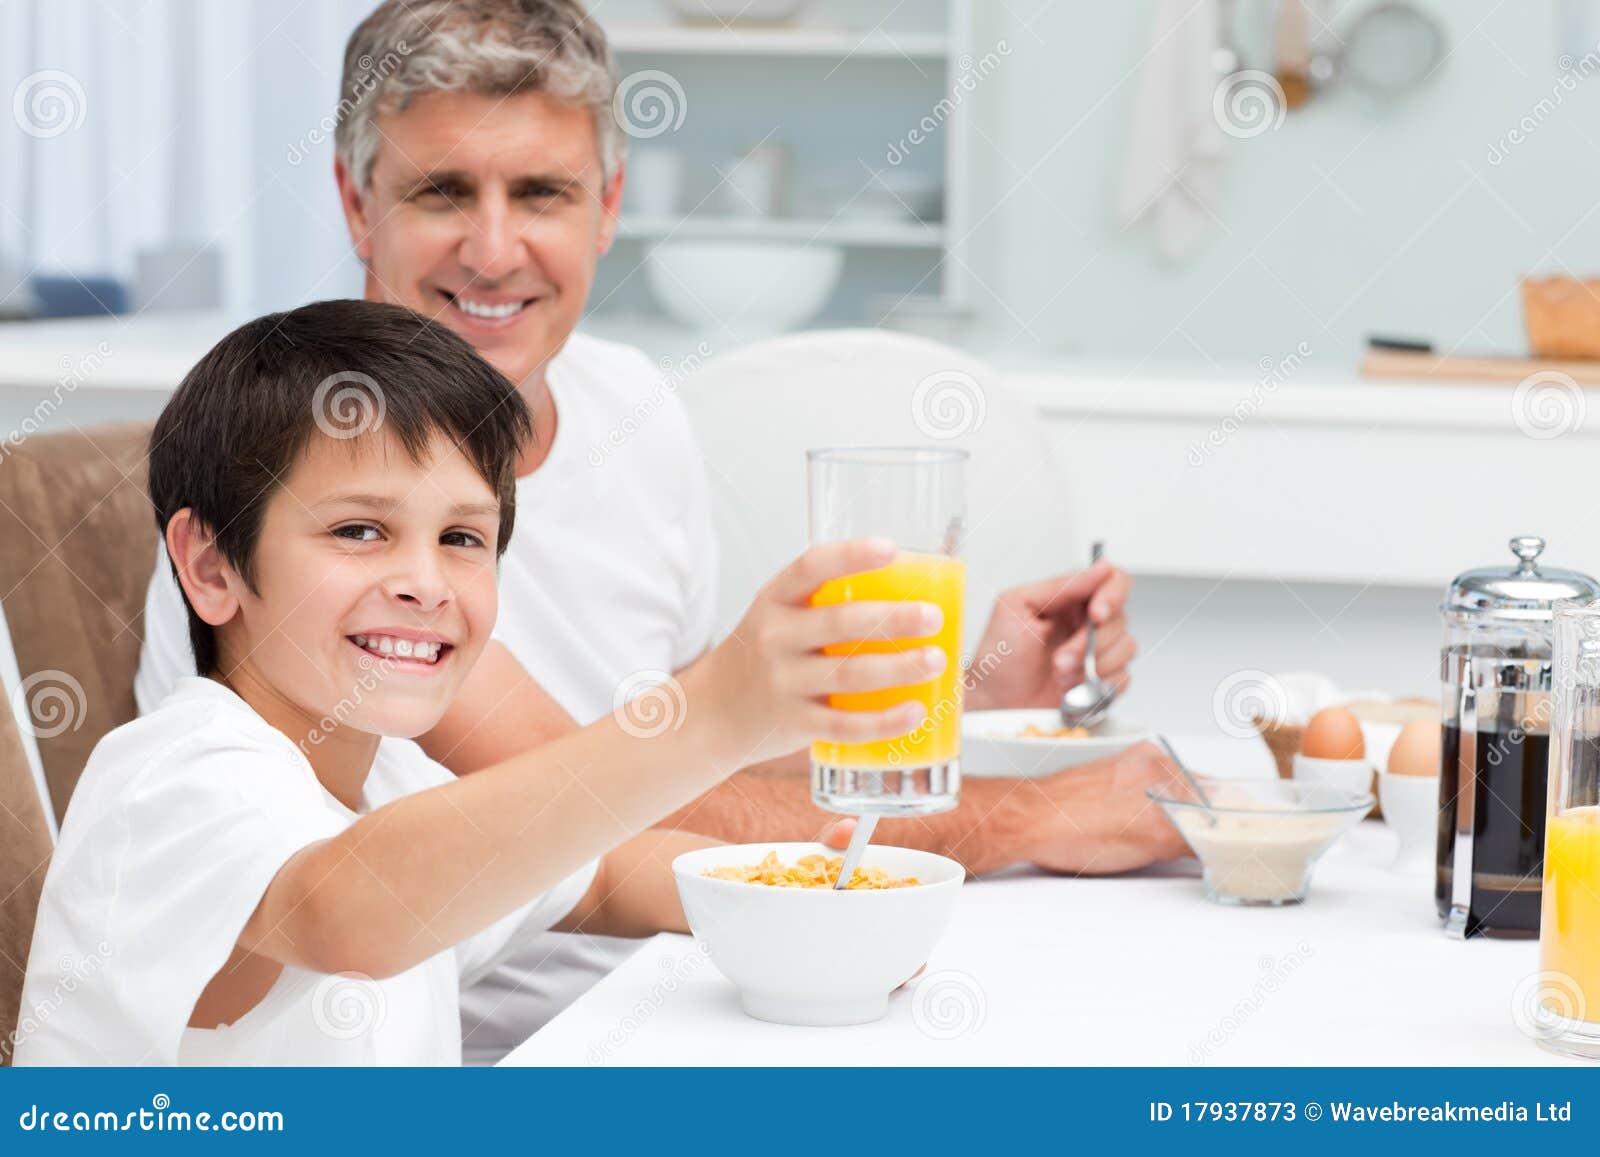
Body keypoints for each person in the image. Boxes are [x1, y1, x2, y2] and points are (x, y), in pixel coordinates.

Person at [132, 0, 1188, 1062]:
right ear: (358, 207)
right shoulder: (308, 551)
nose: (494, 249)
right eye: (441, 190)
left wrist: (952, 706)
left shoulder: (631, 407)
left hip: (680, 992)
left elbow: (653, 816)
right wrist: (1036, 815)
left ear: (607, 206)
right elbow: (590, 808)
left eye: (540, 191)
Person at [16, 299, 946, 1065]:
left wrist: (805, 896)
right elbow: (351, 911)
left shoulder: (391, 779)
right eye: (359, 530)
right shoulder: (171, 782)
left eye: (463, 538)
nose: (426, 581)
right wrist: (712, 716)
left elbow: (604, 874)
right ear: (212, 566)